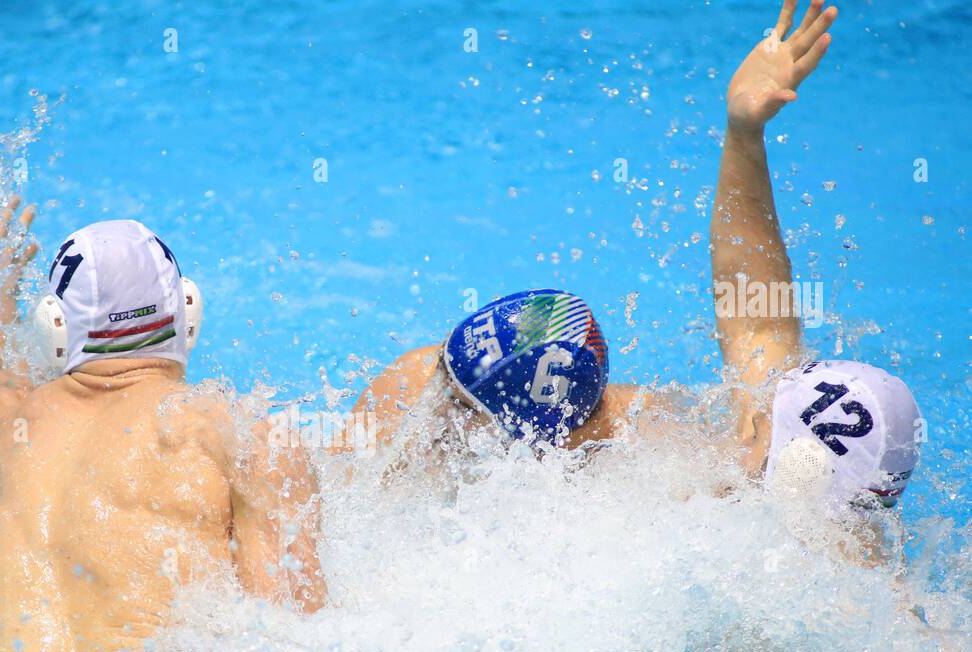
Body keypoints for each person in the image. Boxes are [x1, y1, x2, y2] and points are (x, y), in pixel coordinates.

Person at [352, 0, 922, 515]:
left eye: (761, 430)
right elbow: (756, 313)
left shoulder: (721, 523)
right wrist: (744, 132)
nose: (748, 423)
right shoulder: (732, 447)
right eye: (763, 411)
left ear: (801, 477)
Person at [0, 193, 326, 652]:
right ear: (188, 313)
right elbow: (297, 647)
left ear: (54, 327)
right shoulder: (238, 437)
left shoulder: (3, 420)